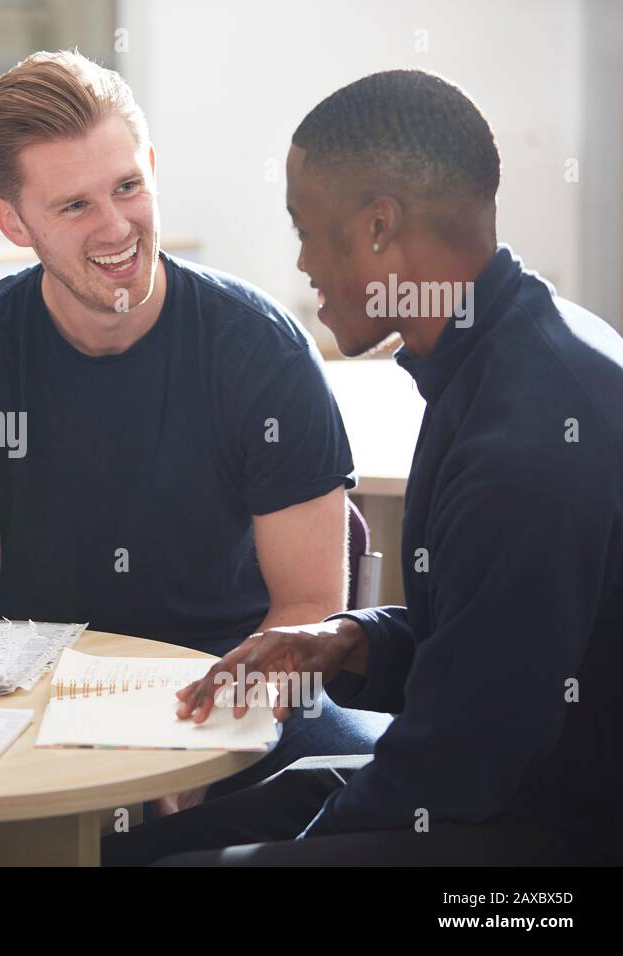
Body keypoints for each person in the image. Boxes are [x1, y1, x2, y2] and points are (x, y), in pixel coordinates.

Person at [105, 69, 623, 866]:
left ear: (380, 226)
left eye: (308, 230)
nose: (304, 263)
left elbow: (460, 764)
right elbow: (496, 653)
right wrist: (350, 640)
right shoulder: (508, 351)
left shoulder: (523, 446)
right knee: (135, 853)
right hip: (502, 785)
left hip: (549, 840)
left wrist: (306, 845)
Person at [0, 50, 389, 803]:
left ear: (153, 169)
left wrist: (198, 742)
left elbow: (306, 609)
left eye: (127, 186)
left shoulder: (262, 351)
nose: (116, 228)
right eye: (74, 206)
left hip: (240, 685)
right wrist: (93, 755)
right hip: (42, 704)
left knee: (375, 801)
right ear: (12, 221)